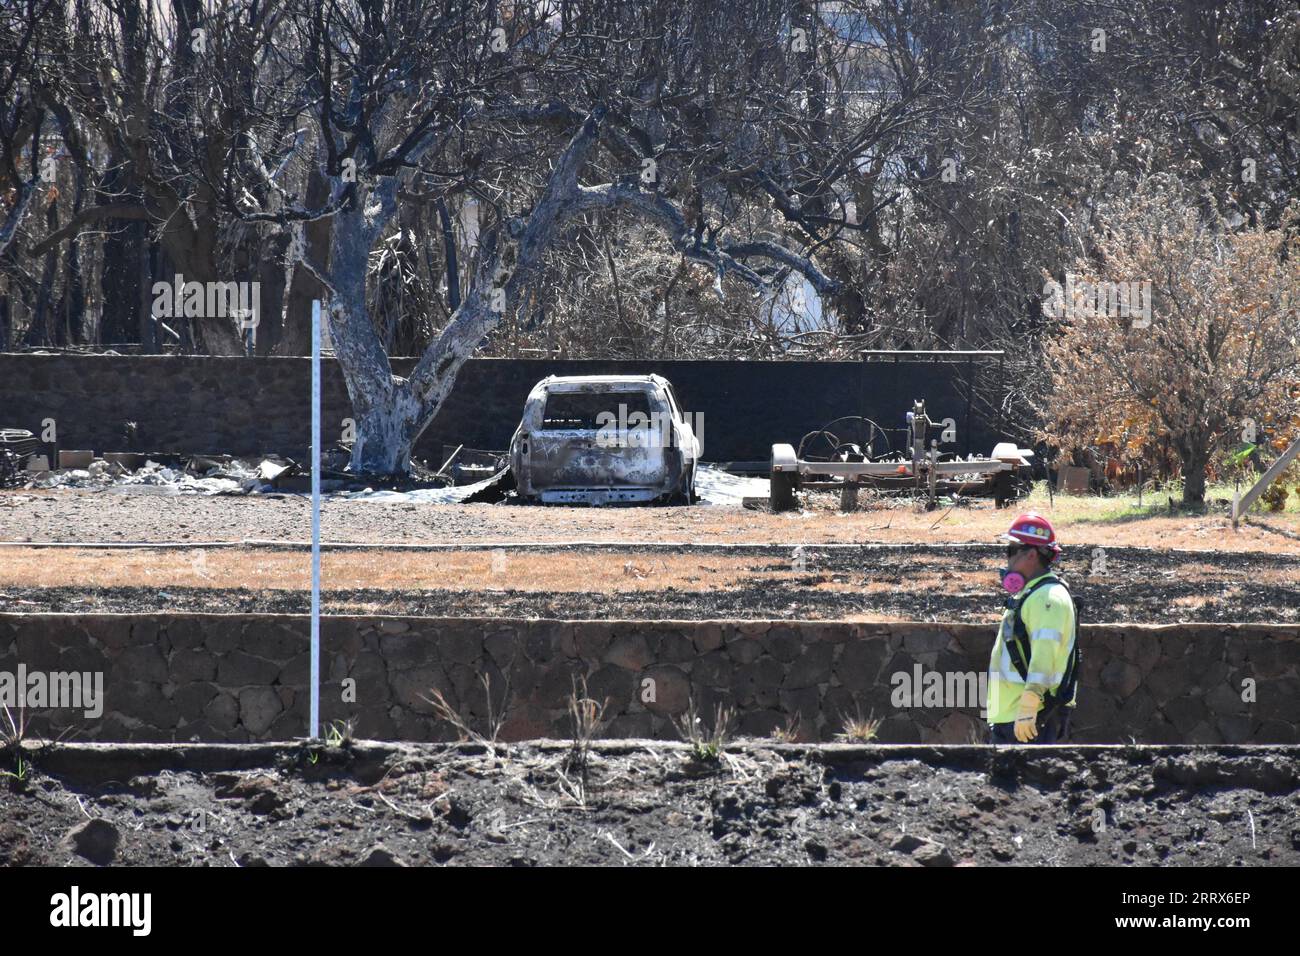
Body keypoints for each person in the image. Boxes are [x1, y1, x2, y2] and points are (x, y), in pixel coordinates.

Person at [986, 512, 1079, 743]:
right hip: (1013, 715)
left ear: (1030, 554)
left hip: (1030, 717)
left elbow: (1045, 653)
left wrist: (1029, 706)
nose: (1007, 559)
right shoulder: (1032, 595)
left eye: (1010, 551)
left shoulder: (1047, 598)